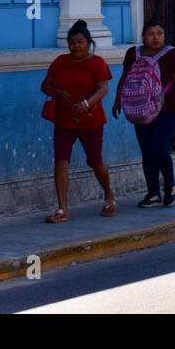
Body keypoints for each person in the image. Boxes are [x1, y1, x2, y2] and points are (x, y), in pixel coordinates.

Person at [41, 20, 116, 223]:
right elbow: (45, 86)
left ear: (88, 43)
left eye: (80, 42)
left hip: (90, 120)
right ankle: (62, 208)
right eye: (72, 42)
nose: (75, 46)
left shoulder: (97, 63)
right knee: (61, 161)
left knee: (95, 161)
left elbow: (103, 88)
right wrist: (58, 91)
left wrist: (87, 103)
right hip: (64, 121)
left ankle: (108, 194)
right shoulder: (60, 62)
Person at [113, 19, 175, 208]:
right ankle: (153, 193)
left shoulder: (174, 54)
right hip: (140, 109)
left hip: (167, 109)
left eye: (159, 33)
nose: (155, 37)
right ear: (143, 36)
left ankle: (170, 184)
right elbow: (125, 76)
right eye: (151, 34)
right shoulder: (133, 53)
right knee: (147, 151)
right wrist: (118, 99)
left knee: (160, 147)